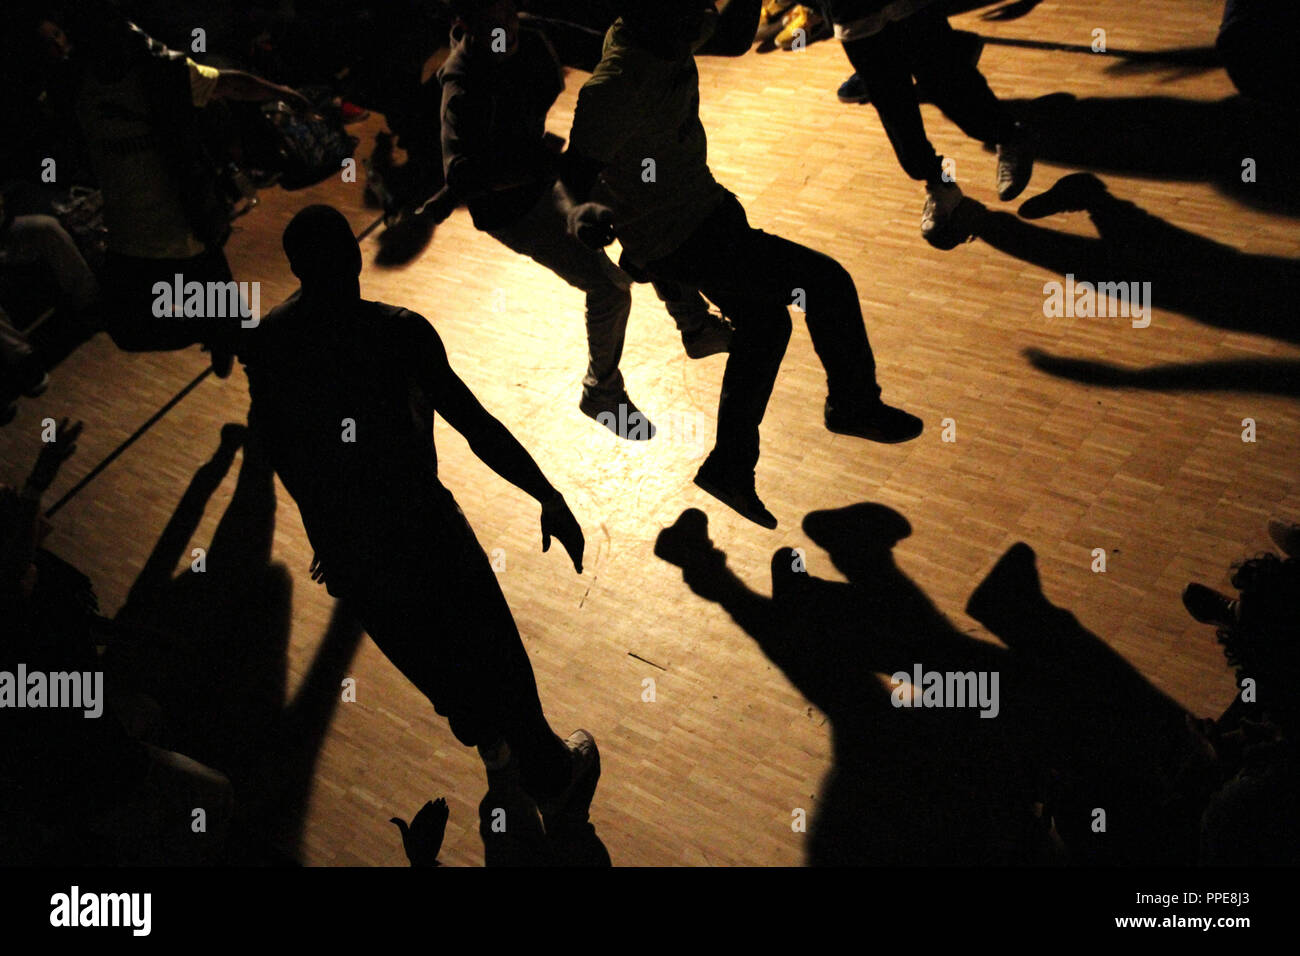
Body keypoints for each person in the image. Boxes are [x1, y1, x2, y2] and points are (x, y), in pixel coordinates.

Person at [230, 204, 600, 844]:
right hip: (425, 533)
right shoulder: (398, 332)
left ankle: (500, 765)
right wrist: (546, 493)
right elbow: (475, 424)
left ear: (295, 269)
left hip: (356, 554)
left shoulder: (268, 346)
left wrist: (324, 532)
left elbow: (281, 454)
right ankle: (556, 781)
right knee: (502, 667)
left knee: (441, 672)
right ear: (353, 255)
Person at [558, 0, 922, 527]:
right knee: (826, 282)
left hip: (705, 212)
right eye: (690, 18)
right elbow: (569, 180)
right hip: (680, 236)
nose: (699, 24)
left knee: (766, 325)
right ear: (657, 21)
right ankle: (852, 404)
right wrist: (582, 214)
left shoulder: (666, 32)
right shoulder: (615, 86)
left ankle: (730, 466)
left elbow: (730, 37)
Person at [438, 0, 732, 439]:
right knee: (611, 289)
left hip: (548, 172)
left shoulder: (534, 35)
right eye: (492, 22)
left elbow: (606, 50)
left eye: (510, 15)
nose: (507, 28)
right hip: (513, 209)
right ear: (465, 25)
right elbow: (463, 175)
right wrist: (536, 162)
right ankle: (602, 392)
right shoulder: (462, 83)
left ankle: (694, 323)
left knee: (648, 207)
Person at [62, 2, 308, 376]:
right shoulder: (77, 87)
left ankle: (270, 381)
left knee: (248, 343)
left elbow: (230, 83)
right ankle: (215, 328)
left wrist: (283, 93)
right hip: (129, 239)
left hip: (186, 231)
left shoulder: (162, 74)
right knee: (126, 328)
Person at [828, 0, 1033, 244]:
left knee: (948, 81)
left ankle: (1008, 136)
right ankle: (941, 185)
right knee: (895, 111)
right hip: (852, 16)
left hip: (908, 6)